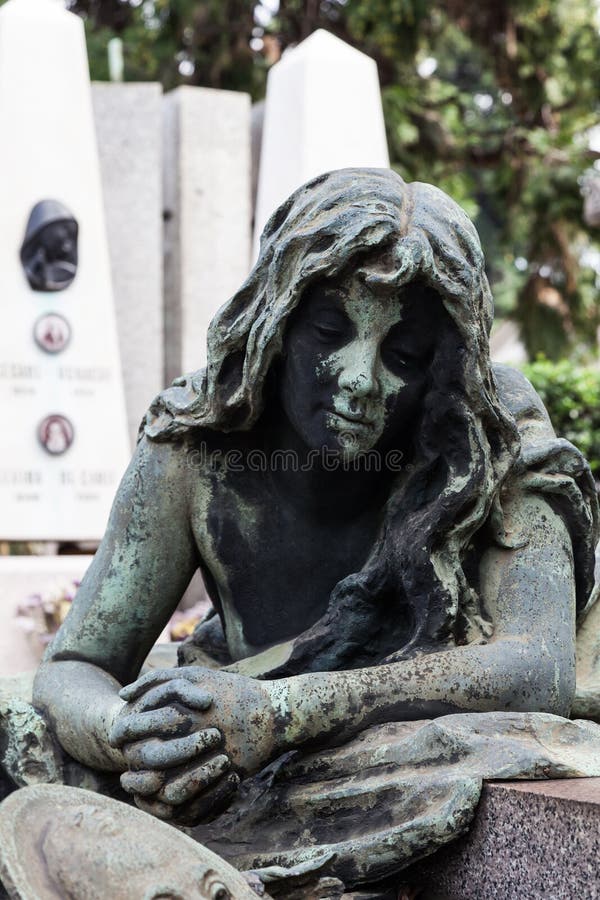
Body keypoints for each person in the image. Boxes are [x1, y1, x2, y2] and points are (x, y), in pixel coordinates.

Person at [33, 169, 600, 889]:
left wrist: (283, 712)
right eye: (331, 333)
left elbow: (538, 667)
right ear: (275, 322)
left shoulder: (493, 431)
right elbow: (75, 665)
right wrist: (131, 738)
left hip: (405, 738)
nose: (360, 380)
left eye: (403, 357)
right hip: (237, 733)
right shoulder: (197, 439)